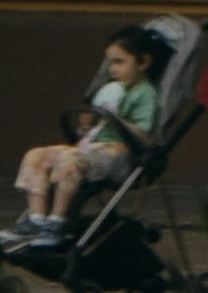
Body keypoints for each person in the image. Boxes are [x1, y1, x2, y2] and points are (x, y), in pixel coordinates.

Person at [9, 27, 162, 232]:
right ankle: (37, 218)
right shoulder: (110, 88)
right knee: (35, 155)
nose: (112, 69)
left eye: (119, 62)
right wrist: (91, 112)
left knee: (71, 159)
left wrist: (117, 118)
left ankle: (57, 220)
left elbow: (145, 138)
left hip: (121, 153)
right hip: (90, 147)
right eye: (109, 63)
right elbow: (85, 126)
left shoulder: (146, 94)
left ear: (143, 62)